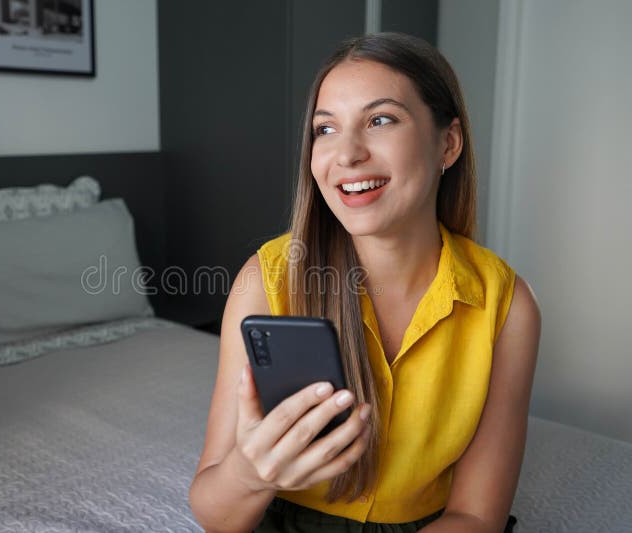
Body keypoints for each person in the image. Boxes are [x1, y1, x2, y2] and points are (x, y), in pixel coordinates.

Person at [189, 33, 541, 533]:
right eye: (325, 129)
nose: (347, 154)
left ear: (448, 143)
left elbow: (476, 515)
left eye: (380, 120)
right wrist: (249, 473)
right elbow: (213, 513)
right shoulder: (267, 281)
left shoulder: (508, 306)